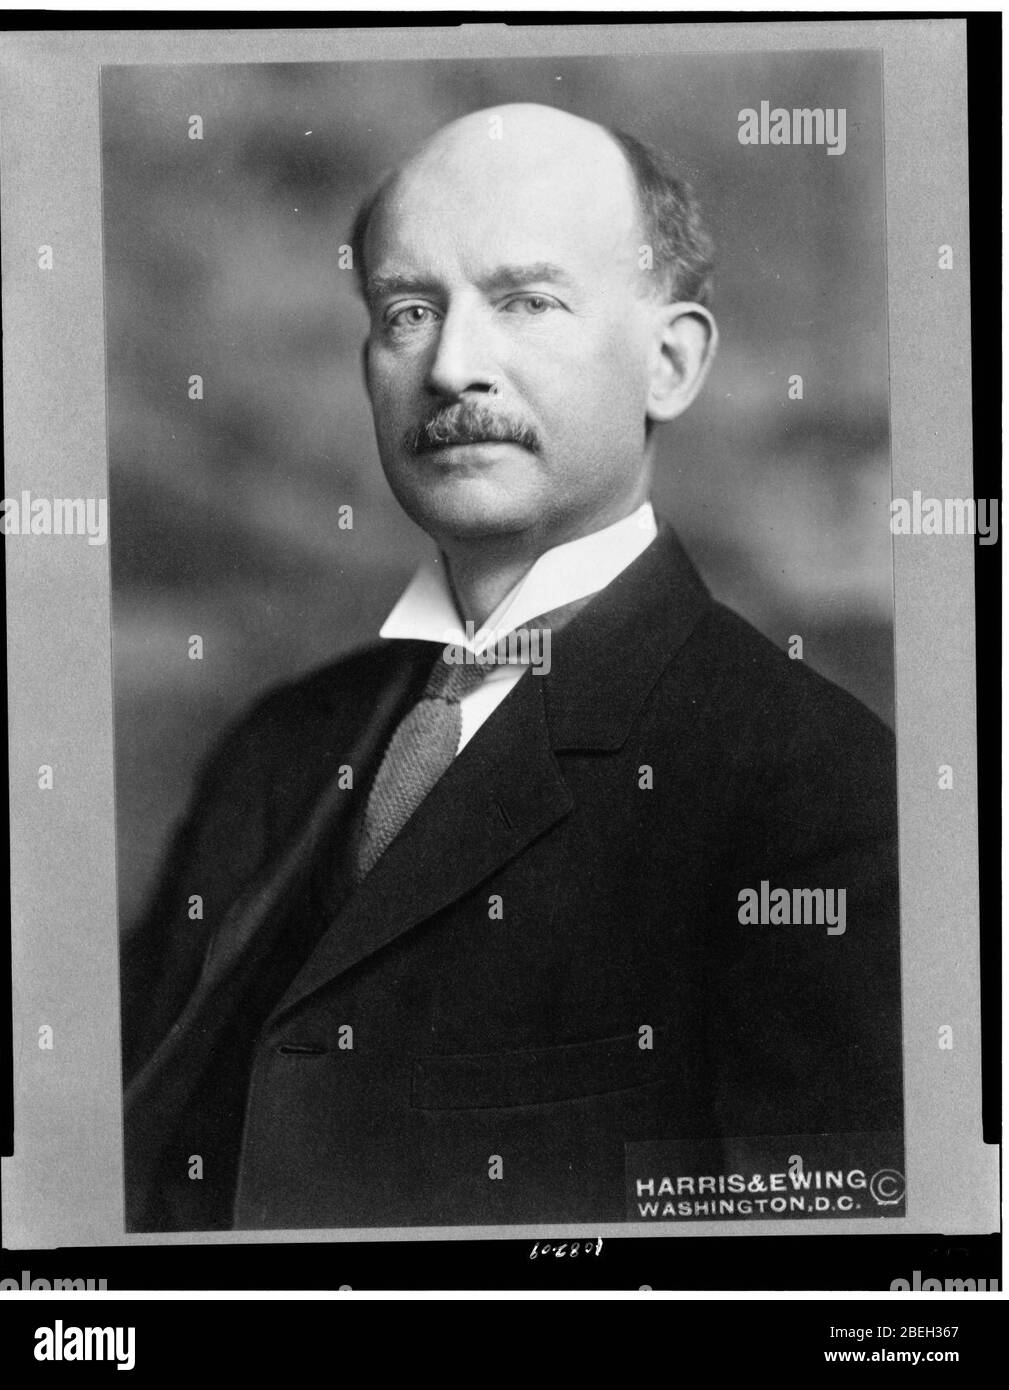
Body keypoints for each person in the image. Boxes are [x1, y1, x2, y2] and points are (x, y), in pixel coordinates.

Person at [122, 103, 902, 1231]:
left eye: (526, 301)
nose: (450, 366)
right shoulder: (277, 746)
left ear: (670, 364)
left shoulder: (809, 783)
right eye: (406, 311)